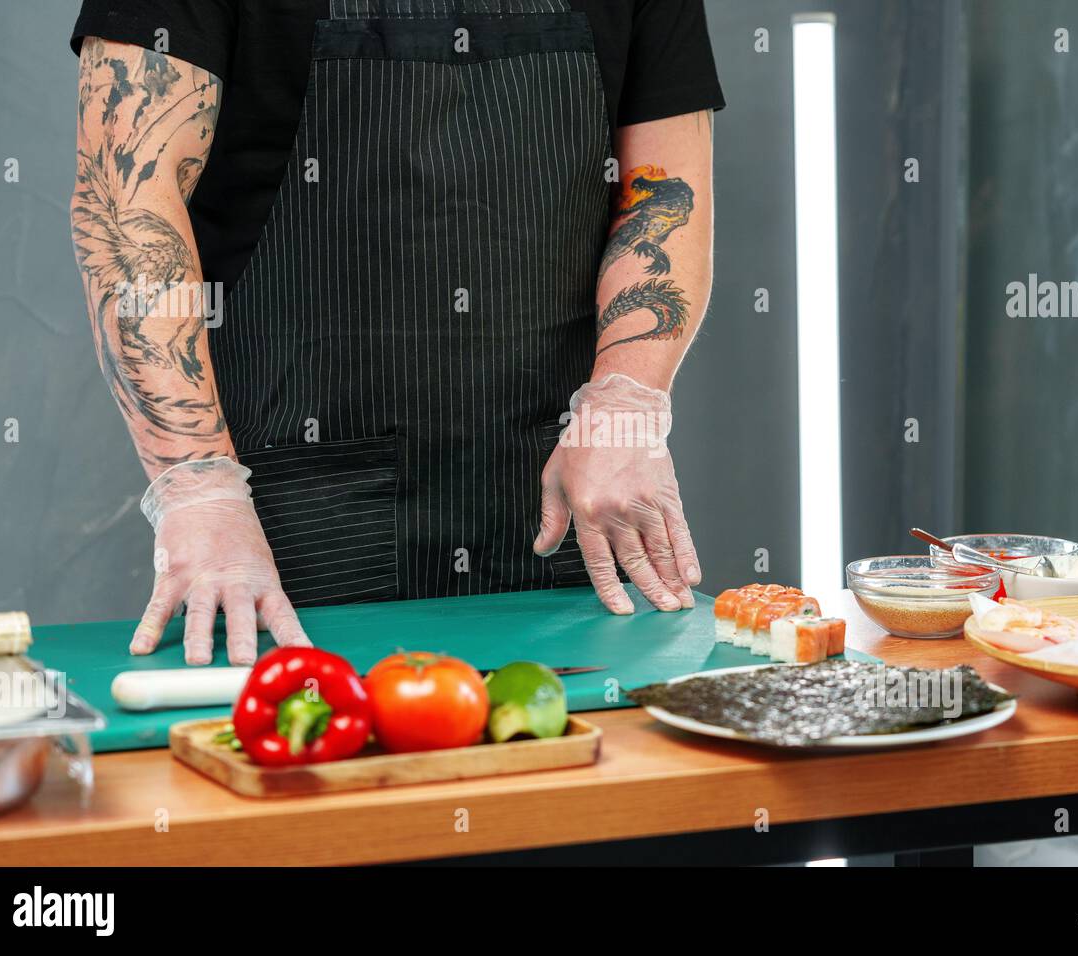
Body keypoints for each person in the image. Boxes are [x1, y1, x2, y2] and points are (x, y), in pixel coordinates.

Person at [69, 0, 724, 665]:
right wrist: (197, 486)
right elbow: (124, 202)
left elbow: (665, 194)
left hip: (562, 496)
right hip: (296, 516)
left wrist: (625, 404)